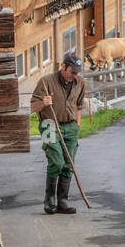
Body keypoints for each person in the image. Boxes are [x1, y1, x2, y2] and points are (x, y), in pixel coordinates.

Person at [31, 52, 85, 215]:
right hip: (49, 125)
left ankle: (63, 202)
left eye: (77, 72)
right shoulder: (46, 82)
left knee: (68, 165)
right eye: (72, 72)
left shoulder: (80, 82)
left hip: (71, 128)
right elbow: (33, 107)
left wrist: (77, 126)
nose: (74, 75)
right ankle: (49, 201)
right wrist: (43, 103)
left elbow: (80, 106)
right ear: (63, 67)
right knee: (57, 162)